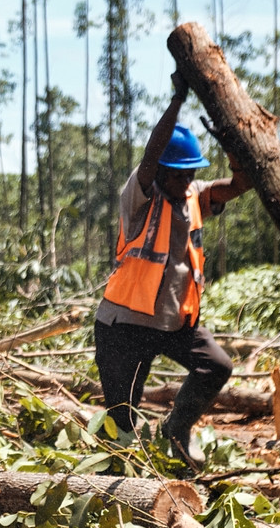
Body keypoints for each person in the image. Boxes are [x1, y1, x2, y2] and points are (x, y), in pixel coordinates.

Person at [93, 70, 252, 471]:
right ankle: (123, 483)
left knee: (216, 365)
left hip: (175, 323)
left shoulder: (195, 195)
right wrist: (177, 101)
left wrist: (229, 136)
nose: (186, 180)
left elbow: (242, 182)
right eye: (177, 173)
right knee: (121, 421)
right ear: (162, 172)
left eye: (191, 173)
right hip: (124, 326)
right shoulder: (139, 198)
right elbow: (150, 156)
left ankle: (176, 430)